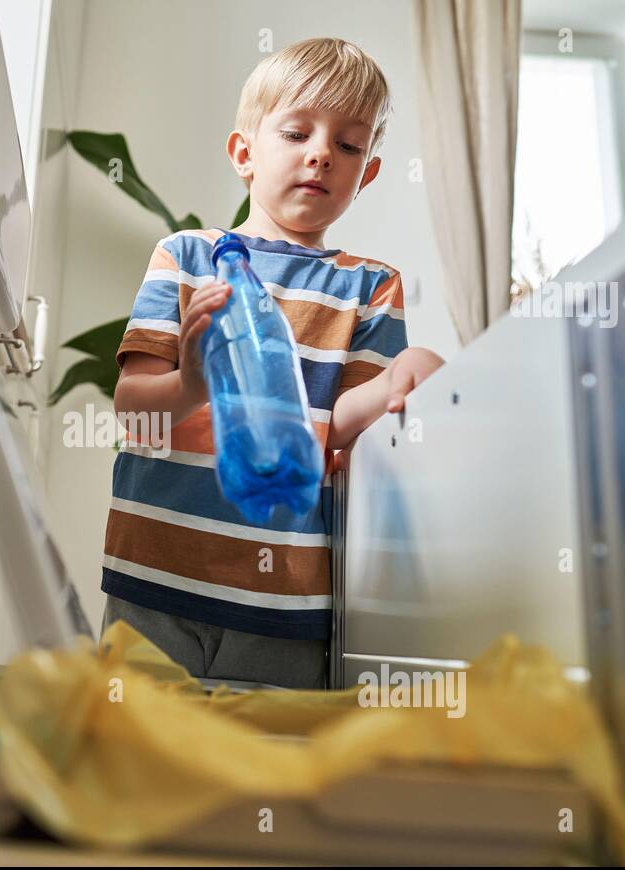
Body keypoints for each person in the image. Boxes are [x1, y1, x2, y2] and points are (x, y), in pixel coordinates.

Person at [100, 37, 445, 689]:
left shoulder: (369, 287)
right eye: (296, 131)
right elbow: (133, 407)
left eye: (348, 145)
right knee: (135, 770)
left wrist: (402, 377)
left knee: (268, 780)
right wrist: (193, 383)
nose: (321, 153)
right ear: (245, 154)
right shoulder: (185, 258)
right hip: (152, 586)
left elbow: (338, 425)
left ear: (366, 172)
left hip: (282, 606)